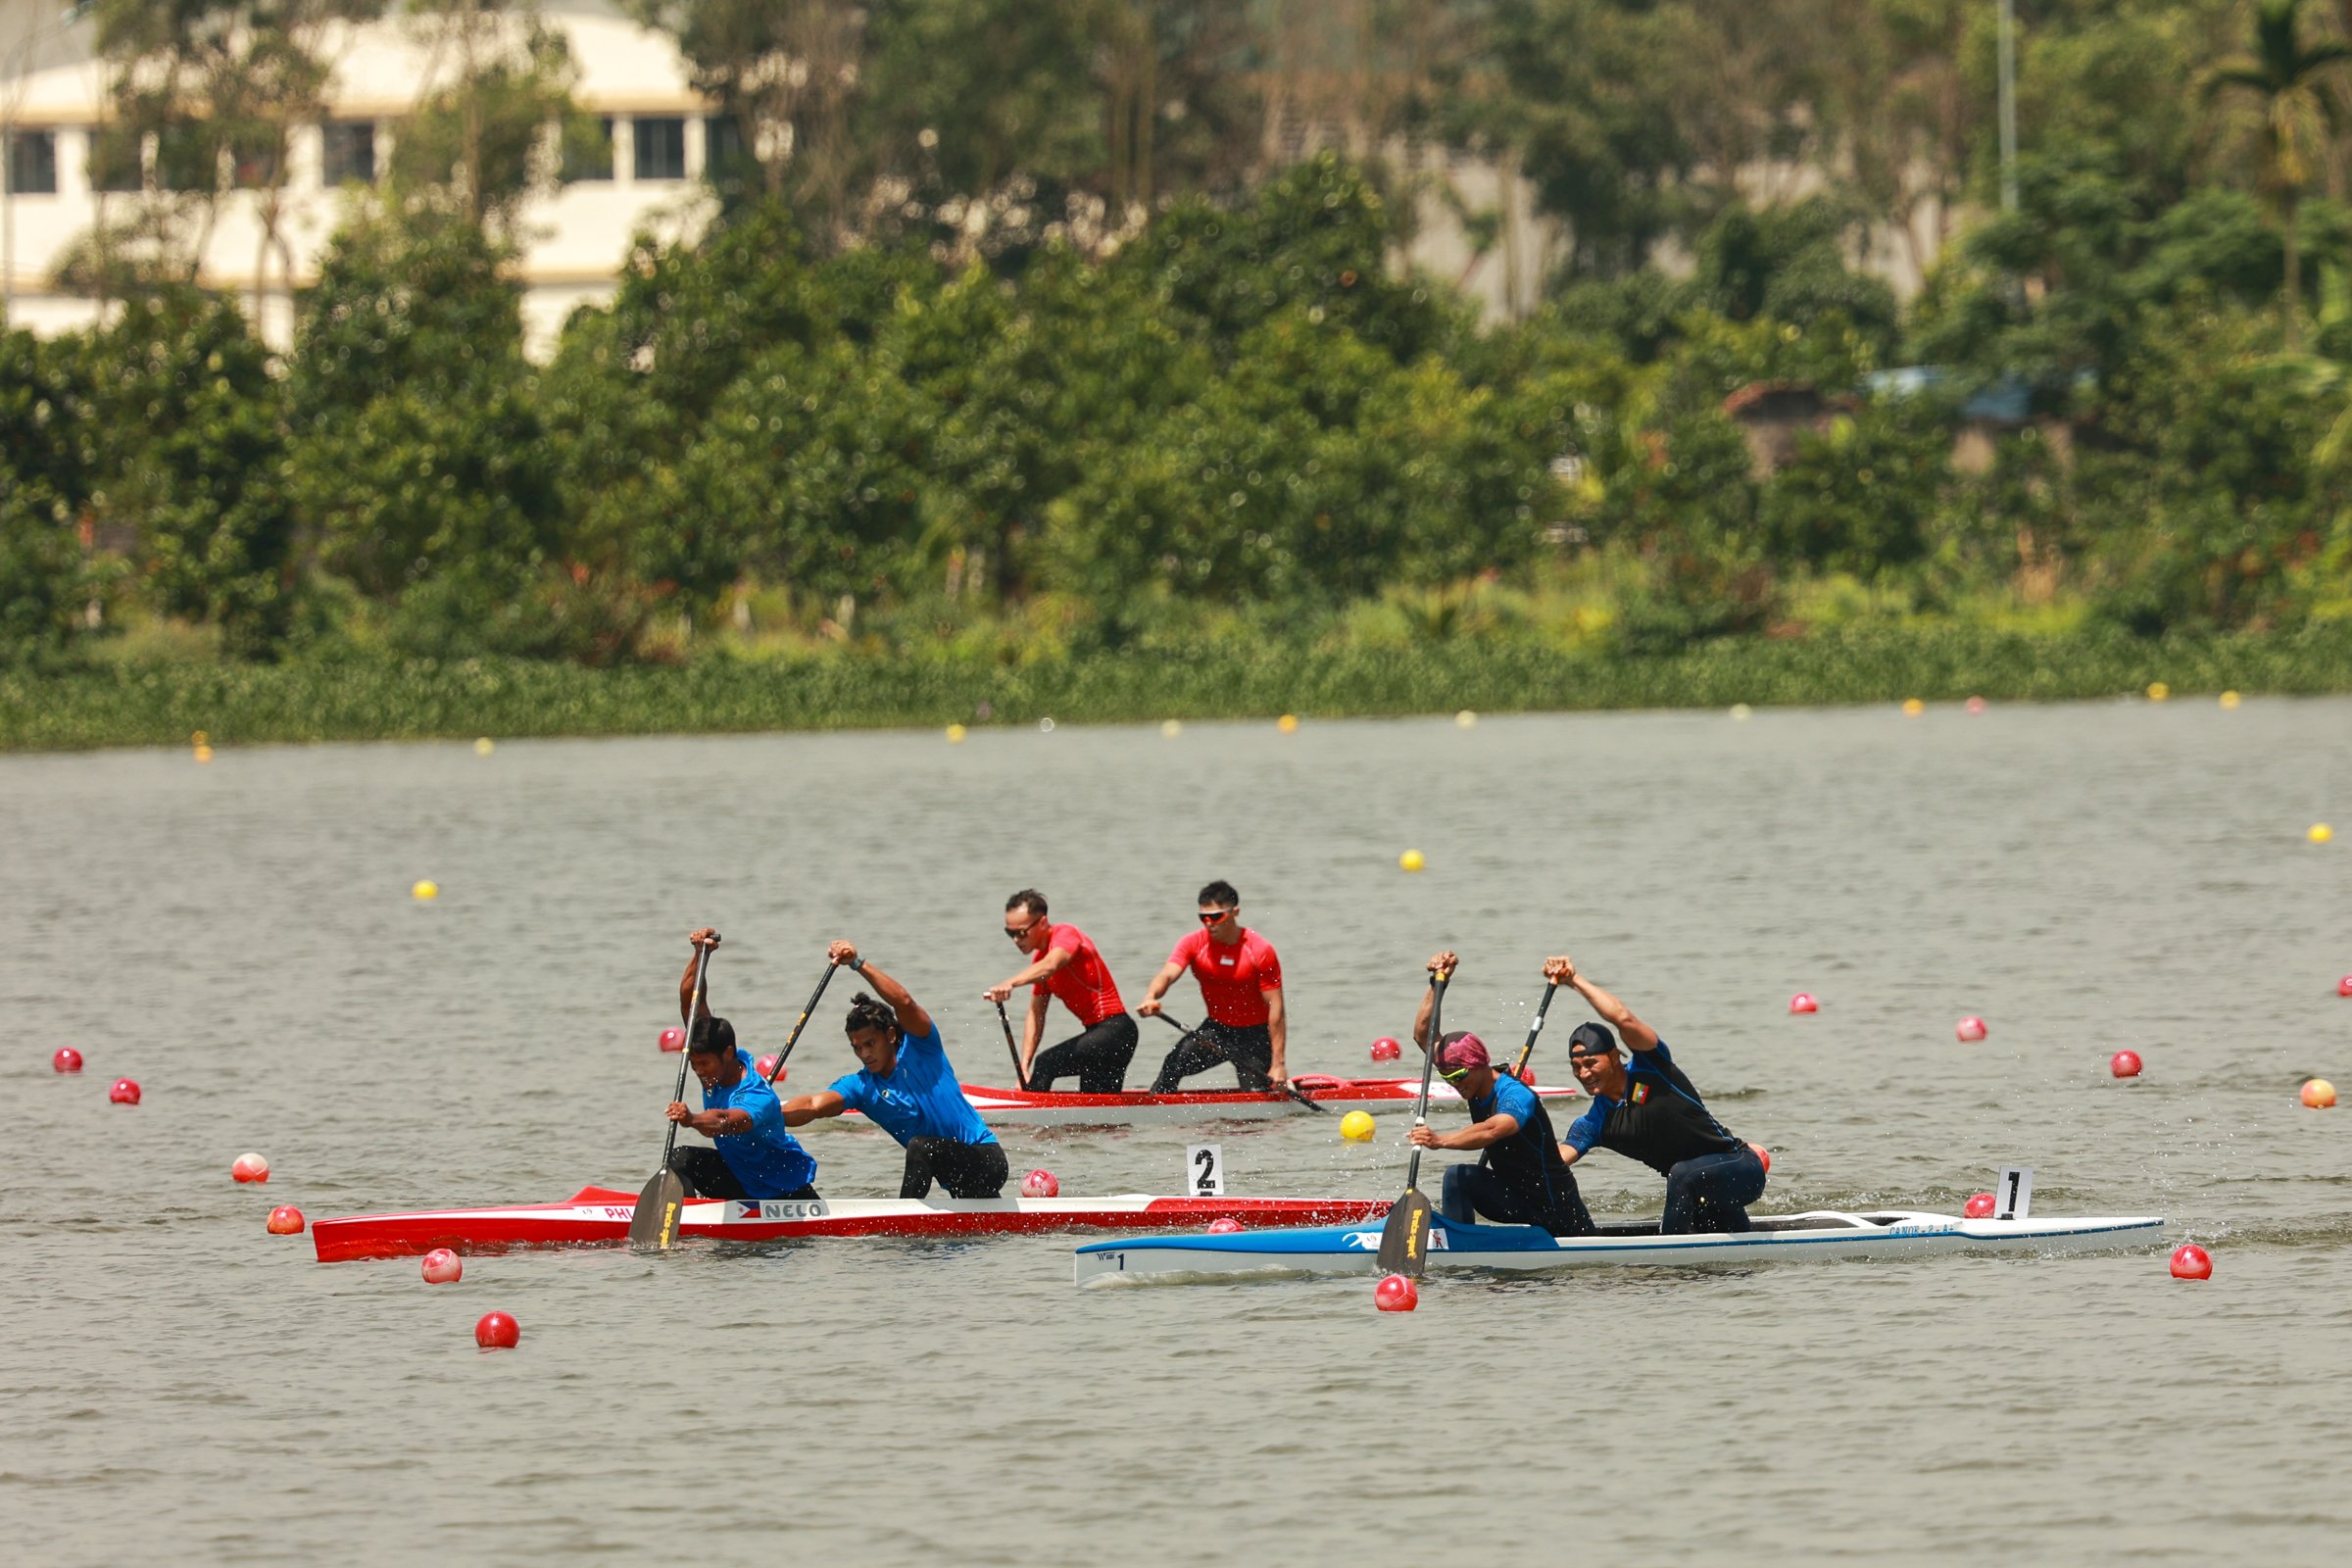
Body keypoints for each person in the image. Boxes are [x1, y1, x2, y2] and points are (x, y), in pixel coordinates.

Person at [1547, 953, 1766, 1234]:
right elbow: (1552, 1162)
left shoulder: (1652, 1068)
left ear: (1614, 1057)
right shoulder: (1594, 1123)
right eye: (1576, 1067)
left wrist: (1574, 981)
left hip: (1741, 1170)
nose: (1584, 1074)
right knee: (1725, 1269)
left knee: (1683, 1173)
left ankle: (1669, 1267)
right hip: (1701, 1195)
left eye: (1591, 1063)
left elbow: (1624, 1019)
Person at [780, 941, 1008, 1200]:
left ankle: (902, 1225)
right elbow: (812, 1105)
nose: (864, 1054)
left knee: (920, 1146)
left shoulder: (922, 1047)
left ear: (890, 1034)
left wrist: (858, 963)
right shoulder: (861, 1087)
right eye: (856, 1047)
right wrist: (762, 1115)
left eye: (870, 1044)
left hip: (987, 1160)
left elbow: (905, 1002)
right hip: (955, 1178)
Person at [1405, 953, 1593, 1236]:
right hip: (1514, 1197)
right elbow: (1423, 1034)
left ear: (1480, 1064)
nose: (1454, 1083)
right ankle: (1461, 1244)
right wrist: (1437, 982)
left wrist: (1440, 1140)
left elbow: (1493, 1129)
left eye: (1458, 1076)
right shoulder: (1468, 1076)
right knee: (1458, 1177)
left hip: (1556, 1208)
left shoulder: (1516, 1095)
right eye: (1447, 1077)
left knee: (1459, 1172)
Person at [663, 929, 819, 1200]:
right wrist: (701, 955)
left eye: (704, 1064)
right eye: (694, 1064)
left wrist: (691, 1119)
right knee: (680, 1159)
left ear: (727, 1054)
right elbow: (691, 1002)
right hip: (739, 1176)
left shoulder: (756, 1096)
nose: (699, 1071)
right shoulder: (713, 1068)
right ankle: (684, 1225)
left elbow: (724, 1122)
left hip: (782, 1193)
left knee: (683, 1155)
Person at [1135, 880, 1289, 1092]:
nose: (1209, 923)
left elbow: (1276, 1008)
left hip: (1255, 1036)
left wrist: (1278, 1064)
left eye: (1216, 917)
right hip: (1217, 1031)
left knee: (1256, 1103)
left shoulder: (1260, 950)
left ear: (1235, 912)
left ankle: (1278, 1088)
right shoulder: (1194, 943)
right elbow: (1168, 974)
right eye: (1203, 917)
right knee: (1173, 1064)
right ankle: (1154, 1109)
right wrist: (1151, 996)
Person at [981, 889, 1138, 1093]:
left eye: (1021, 932)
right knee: (1096, 1109)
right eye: (1010, 933)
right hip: (1099, 1038)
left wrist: (1009, 983)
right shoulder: (1039, 963)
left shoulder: (1065, 934)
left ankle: (1027, 1122)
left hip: (1115, 1032)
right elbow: (1036, 1014)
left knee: (1046, 1063)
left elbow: (1052, 964)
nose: (1016, 940)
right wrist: (1024, 1066)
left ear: (1043, 922)